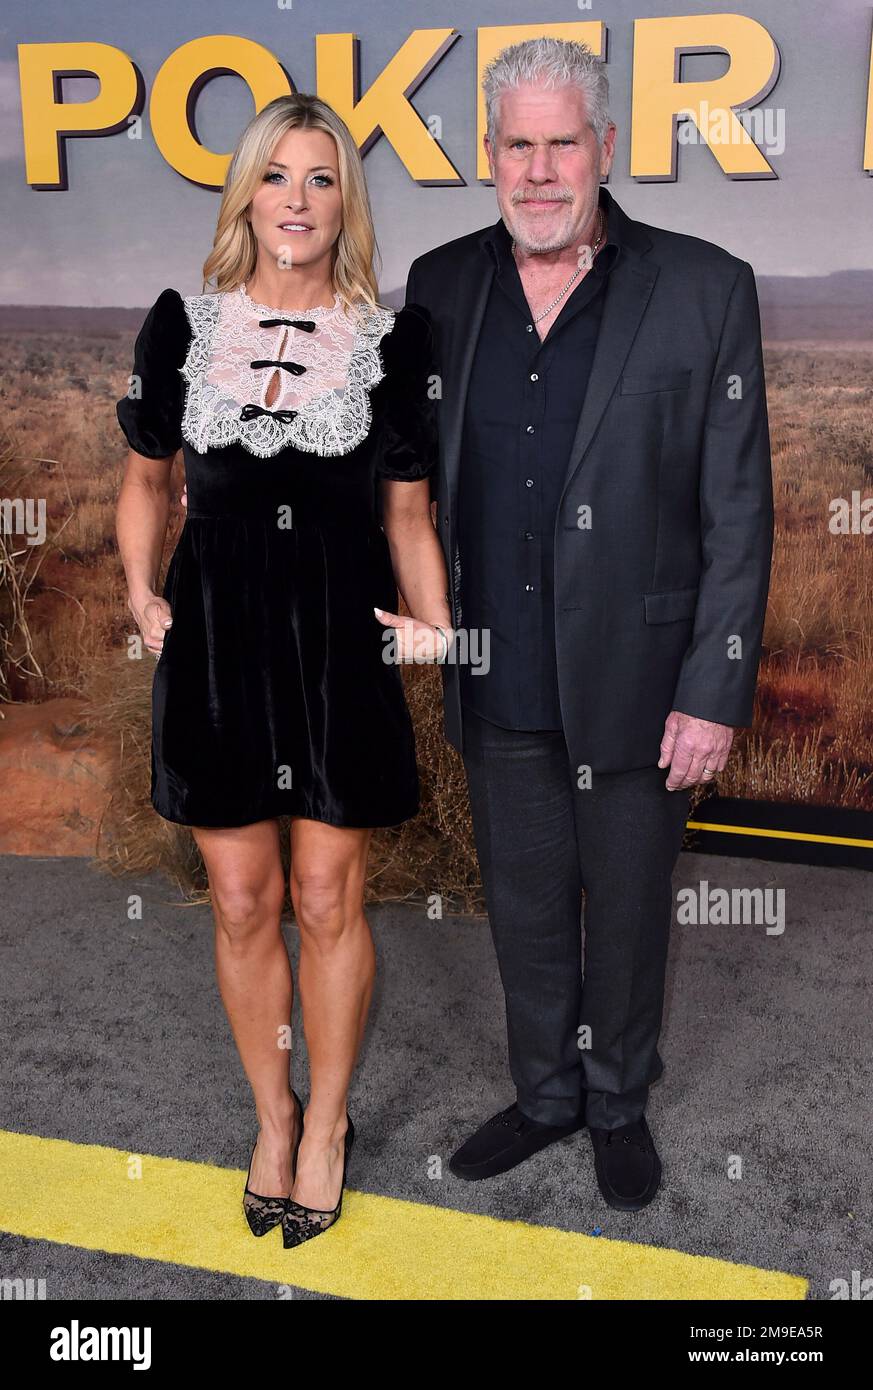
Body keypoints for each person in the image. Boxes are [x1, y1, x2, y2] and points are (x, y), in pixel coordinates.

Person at [405, 37, 774, 1210]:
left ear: (606, 148)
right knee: (519, 903)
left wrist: (713, 692)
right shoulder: (441, 283)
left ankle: (615, 1100)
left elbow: (739, 511)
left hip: (642, 676)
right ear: (490, 156)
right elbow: (408, 481)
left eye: (565, 142)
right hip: (496, 670)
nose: (542, 169)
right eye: (519, 144)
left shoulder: (706, 286)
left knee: (624, 912)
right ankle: (545, 1094)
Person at [115, 93, 452, 1246]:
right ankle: (272, 1113)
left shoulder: (390, 343)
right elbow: (146, 481)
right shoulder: (185, 329)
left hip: (335, 658)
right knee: (246, 899)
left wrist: (435, 622)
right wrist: (140, 591)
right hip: (216, 653)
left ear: (344, 201)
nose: (297, 200)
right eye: (277, 176)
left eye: (320, 179)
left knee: (325, 897)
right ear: (246, 194)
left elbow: (410, 512)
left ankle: (329, 1125)